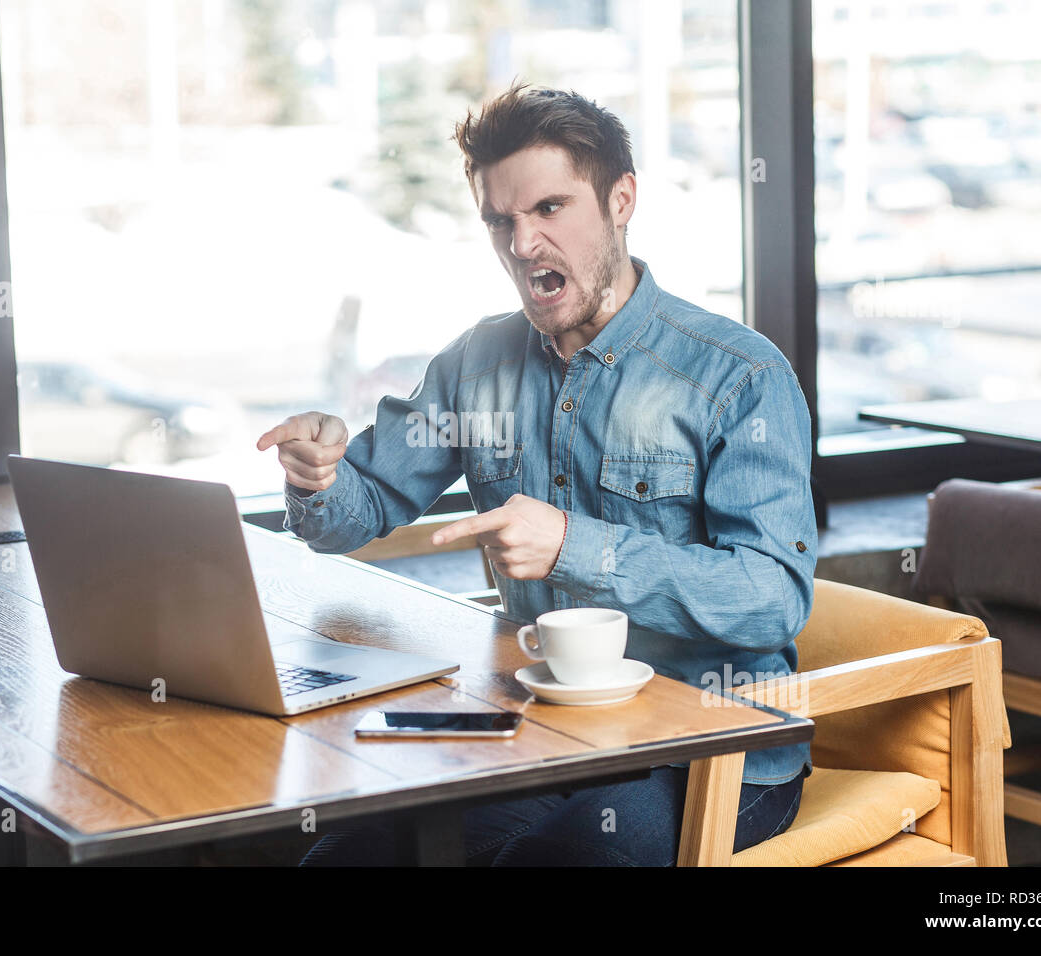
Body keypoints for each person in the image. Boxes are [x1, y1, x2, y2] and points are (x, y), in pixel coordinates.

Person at [257, 83, 817, 866]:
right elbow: (366, 504)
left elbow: (773, 599)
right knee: (347, 856)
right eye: (501, 220)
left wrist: (572, 547)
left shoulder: (738, 376)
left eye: (550, 208)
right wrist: (319, 477)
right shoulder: (474, 364)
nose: (522, 244)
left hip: (712, 745)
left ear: (620, 200)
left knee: (566, 859)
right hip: (543, 732)